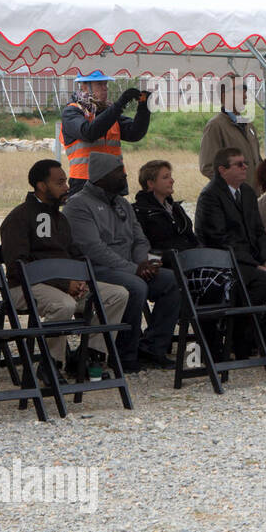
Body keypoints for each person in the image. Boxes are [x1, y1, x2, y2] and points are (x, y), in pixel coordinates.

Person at [0, 160, 128, 376]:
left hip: (64, 286)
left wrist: (80, 280)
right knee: (64, 305)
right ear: (41, 186)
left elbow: (75, 254)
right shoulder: (18, 218)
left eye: (66, 181)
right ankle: (51, 365)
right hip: (24, 287)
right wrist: (63, 284)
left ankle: (89, 356)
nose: (67, 187)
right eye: (60, 182)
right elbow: (17, 268)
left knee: (117, 294)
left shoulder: (60, 218)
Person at [62, 152, 181, 371]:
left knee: (171, 281)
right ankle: (125, 354)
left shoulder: (123, 204)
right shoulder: (78, 205)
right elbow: (93, 249)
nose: (124, 176)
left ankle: (152, 346)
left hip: (130, 267)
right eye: (119, 172)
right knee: (135, 286)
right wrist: (135, 269)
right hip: (97, 269)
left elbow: (140, 238)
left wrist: (143, 264)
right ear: (102, 175)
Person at [195, 146, 266, 357]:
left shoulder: (247, 192)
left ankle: (262, 330)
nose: (245, 167)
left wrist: (265, 259)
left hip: (250, 259)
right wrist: (254, 263)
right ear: (222, 170)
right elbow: (219, 238)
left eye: (245, 163)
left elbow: (259, 231)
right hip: (225, 261)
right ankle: (240, 335)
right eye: (239, 164)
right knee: (263, 281)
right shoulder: (210, 196)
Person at [58, 71, 152, 192]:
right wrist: (119, 105)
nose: (104, 88)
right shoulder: (72, 112)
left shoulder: (108, 112)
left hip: (114, 180)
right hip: (85, 183)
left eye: (105, 84)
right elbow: (89, 133)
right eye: (99, 84)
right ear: (84, 86)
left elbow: (134, 134)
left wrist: (144, 108)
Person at [199, 76, 262, 181]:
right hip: (233, 195)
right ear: (224, 96)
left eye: (245, 91)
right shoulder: (215, 126)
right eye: (239, 90)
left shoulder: (248, 125)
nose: (244, 95)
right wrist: (232, 188)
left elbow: (257, 160)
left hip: (253, 195)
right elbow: (207, 166)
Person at [133, 159, 199, 254]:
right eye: (165, 177)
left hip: (190, 259)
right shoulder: (140, 212)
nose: (172, 181)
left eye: (170, 177)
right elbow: (145, 248)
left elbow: (190, 236)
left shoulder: (176, 208)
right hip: (166, 264)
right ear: (151, 184)